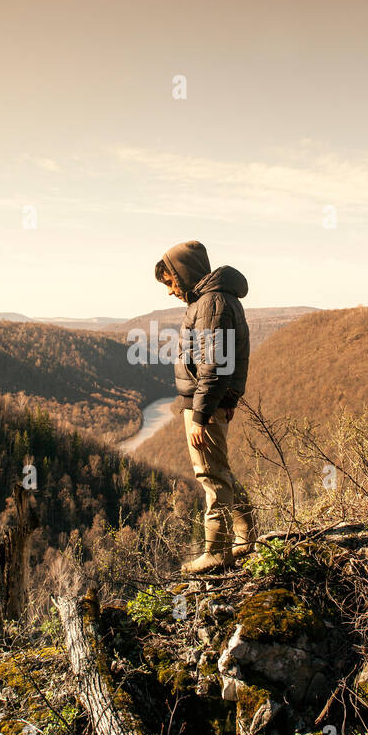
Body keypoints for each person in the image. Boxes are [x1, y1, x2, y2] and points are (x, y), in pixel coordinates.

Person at [153, 241, 255, 574]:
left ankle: (217, 550)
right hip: (209, 402)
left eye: (171, 281)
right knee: (218, 470)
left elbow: (215, 364)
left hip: (204, 405)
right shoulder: (215, 299)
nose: (170, 291)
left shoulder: (212, 303)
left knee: (210, 475)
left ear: (184, 273)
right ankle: (245, 534)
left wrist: (201, 415)